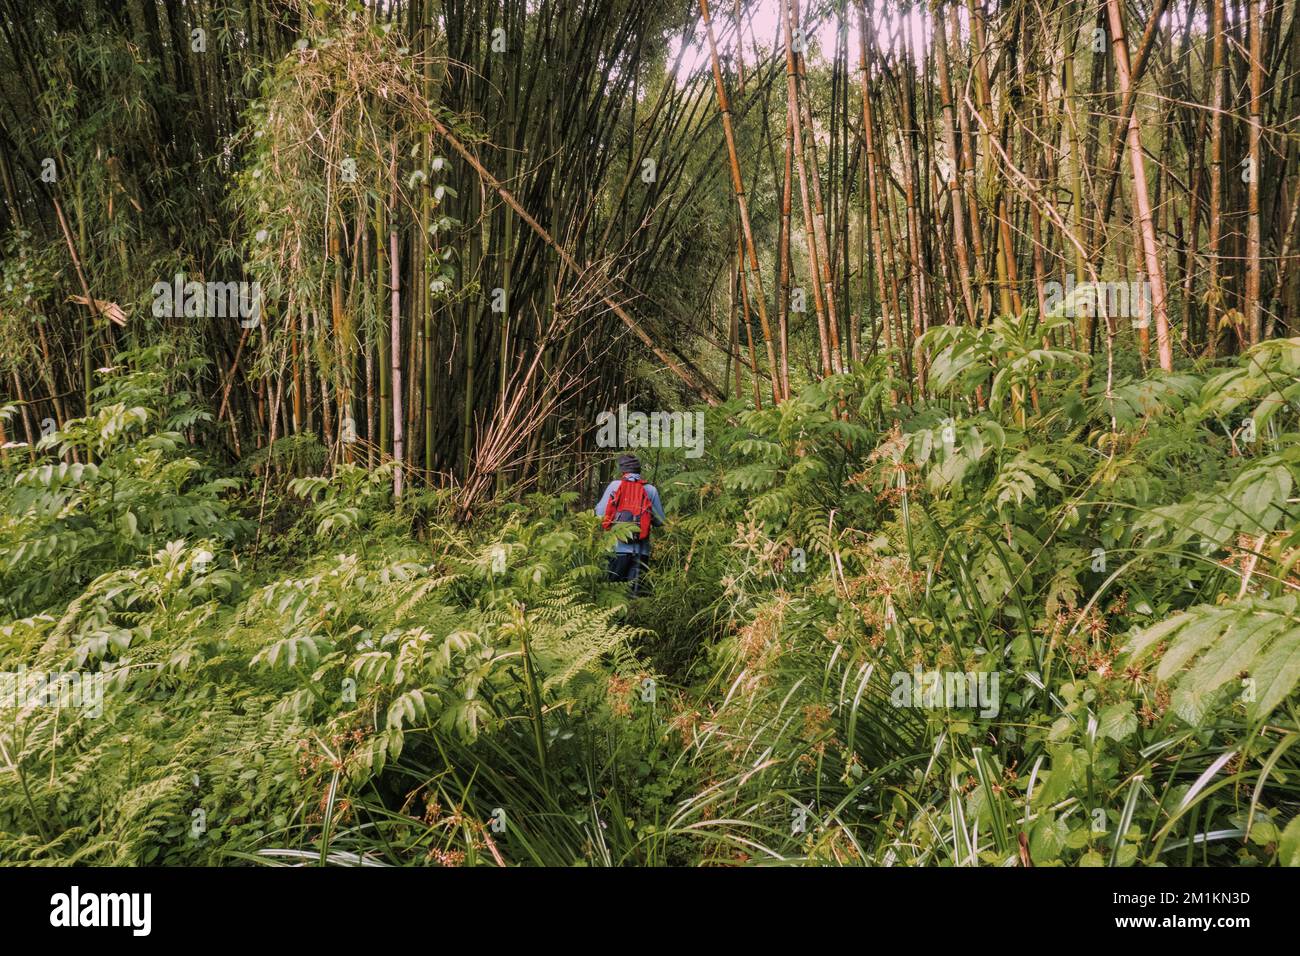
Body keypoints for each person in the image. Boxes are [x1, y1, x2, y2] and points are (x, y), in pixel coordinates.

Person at [595, 453, 665, 596]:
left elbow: (600, 514)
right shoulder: (650, 489)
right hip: (640, 552)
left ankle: (614, 619)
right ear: (639, 471)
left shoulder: (615, 486)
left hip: (616, 550)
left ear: (623, 471)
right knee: (635, 597)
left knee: (612, 594)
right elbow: (660, 521)